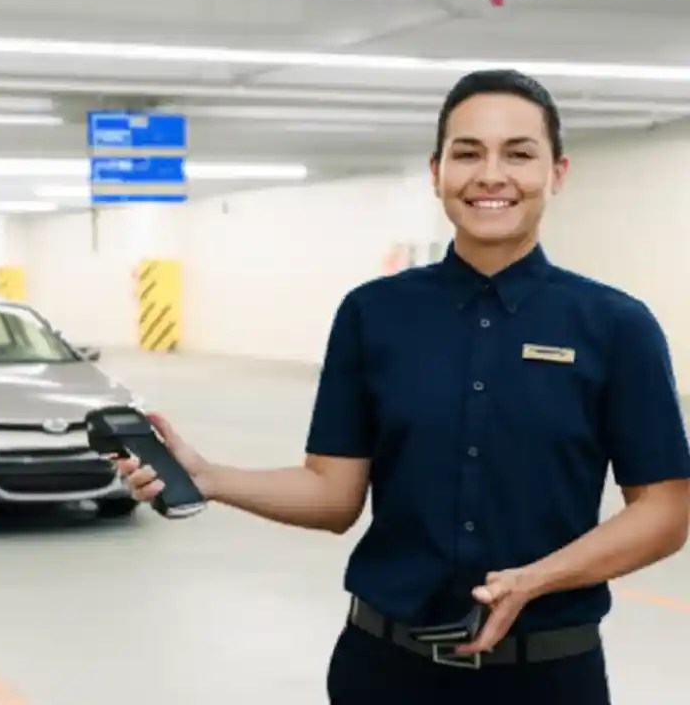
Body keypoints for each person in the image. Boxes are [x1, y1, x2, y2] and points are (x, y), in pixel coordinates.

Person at [115, 69, 690, 704]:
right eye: (467, 152)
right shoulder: (373, 315)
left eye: (519, 153)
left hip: (548, 678)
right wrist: (211, 476)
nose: (490, 174)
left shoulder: (616, 325)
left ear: (557, 172)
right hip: (385, 672)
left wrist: (537, 580)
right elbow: (333, 496)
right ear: (436, 171)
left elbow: (665, 511)